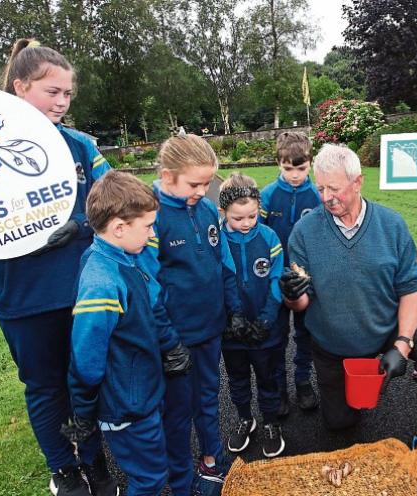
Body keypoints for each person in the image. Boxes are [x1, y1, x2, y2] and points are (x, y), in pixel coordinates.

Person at [282, 144, 417, 483]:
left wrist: (402, 344)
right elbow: (302, 303)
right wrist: (292, 296)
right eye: (320, 188)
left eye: (334, 188)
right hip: (334, 343)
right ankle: (360, 388)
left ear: (358, 182)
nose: (326, 197)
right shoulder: (304, 232)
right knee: (340, 424)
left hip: (386, 326)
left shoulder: (391, 225)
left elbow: (409, 290)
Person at [0, 39, 116, 496]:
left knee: (85, 380)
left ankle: (94, 461)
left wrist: (80, 225)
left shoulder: (79, 146)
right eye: (52, 92)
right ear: (20, 87)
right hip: (23, 296)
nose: (62, 102)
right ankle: (63, 469)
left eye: (67, 94)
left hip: (81, 289)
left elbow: (119, 202)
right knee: (44, 387)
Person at [65, 171, 192, 496]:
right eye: (147, 226)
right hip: (126, 405)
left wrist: (170, 345)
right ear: (119, 227)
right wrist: (83, 412)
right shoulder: (101, 283)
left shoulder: (125, 257)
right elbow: (86, 358)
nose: (152, 233)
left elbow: (150, 304)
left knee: (153, 470)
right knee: (149, 479)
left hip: (142, 393)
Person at [146, 133, 242, 495]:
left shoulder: (205, 208)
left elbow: (223, 260)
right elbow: (147, 283)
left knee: (208, 397)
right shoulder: (150, 215)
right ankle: (181, 478)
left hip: (209, 327)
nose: (203, 191)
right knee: (177, 410)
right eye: (194, 184)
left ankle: (212, 460)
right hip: (175, 337)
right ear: (167, 176)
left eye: (207, 183)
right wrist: (168, 340)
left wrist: (233, 307)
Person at [219, 172, 287, 458]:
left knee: (267, 378)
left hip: (264, 329)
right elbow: (220, 279)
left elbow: (276, 279)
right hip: (232, 331)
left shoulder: (269, 237)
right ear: (223, 212)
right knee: (237, 379)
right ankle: (246, 418)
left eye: (252, 216)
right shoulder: (217, 239)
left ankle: (271, 423)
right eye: (238, 218)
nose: (246, 223)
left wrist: (267, 319)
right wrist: (232, 317)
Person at [259, 131, 321, 415]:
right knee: (277, 334)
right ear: (278, 163)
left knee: (305, 333)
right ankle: (280, 385)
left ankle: (303, 380)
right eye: (288, 169)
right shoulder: (268, 196)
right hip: (275, 279)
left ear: (310, 163)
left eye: (301, 168)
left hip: (307, 278)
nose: (295, 175)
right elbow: (258, 235)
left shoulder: (317, 195)